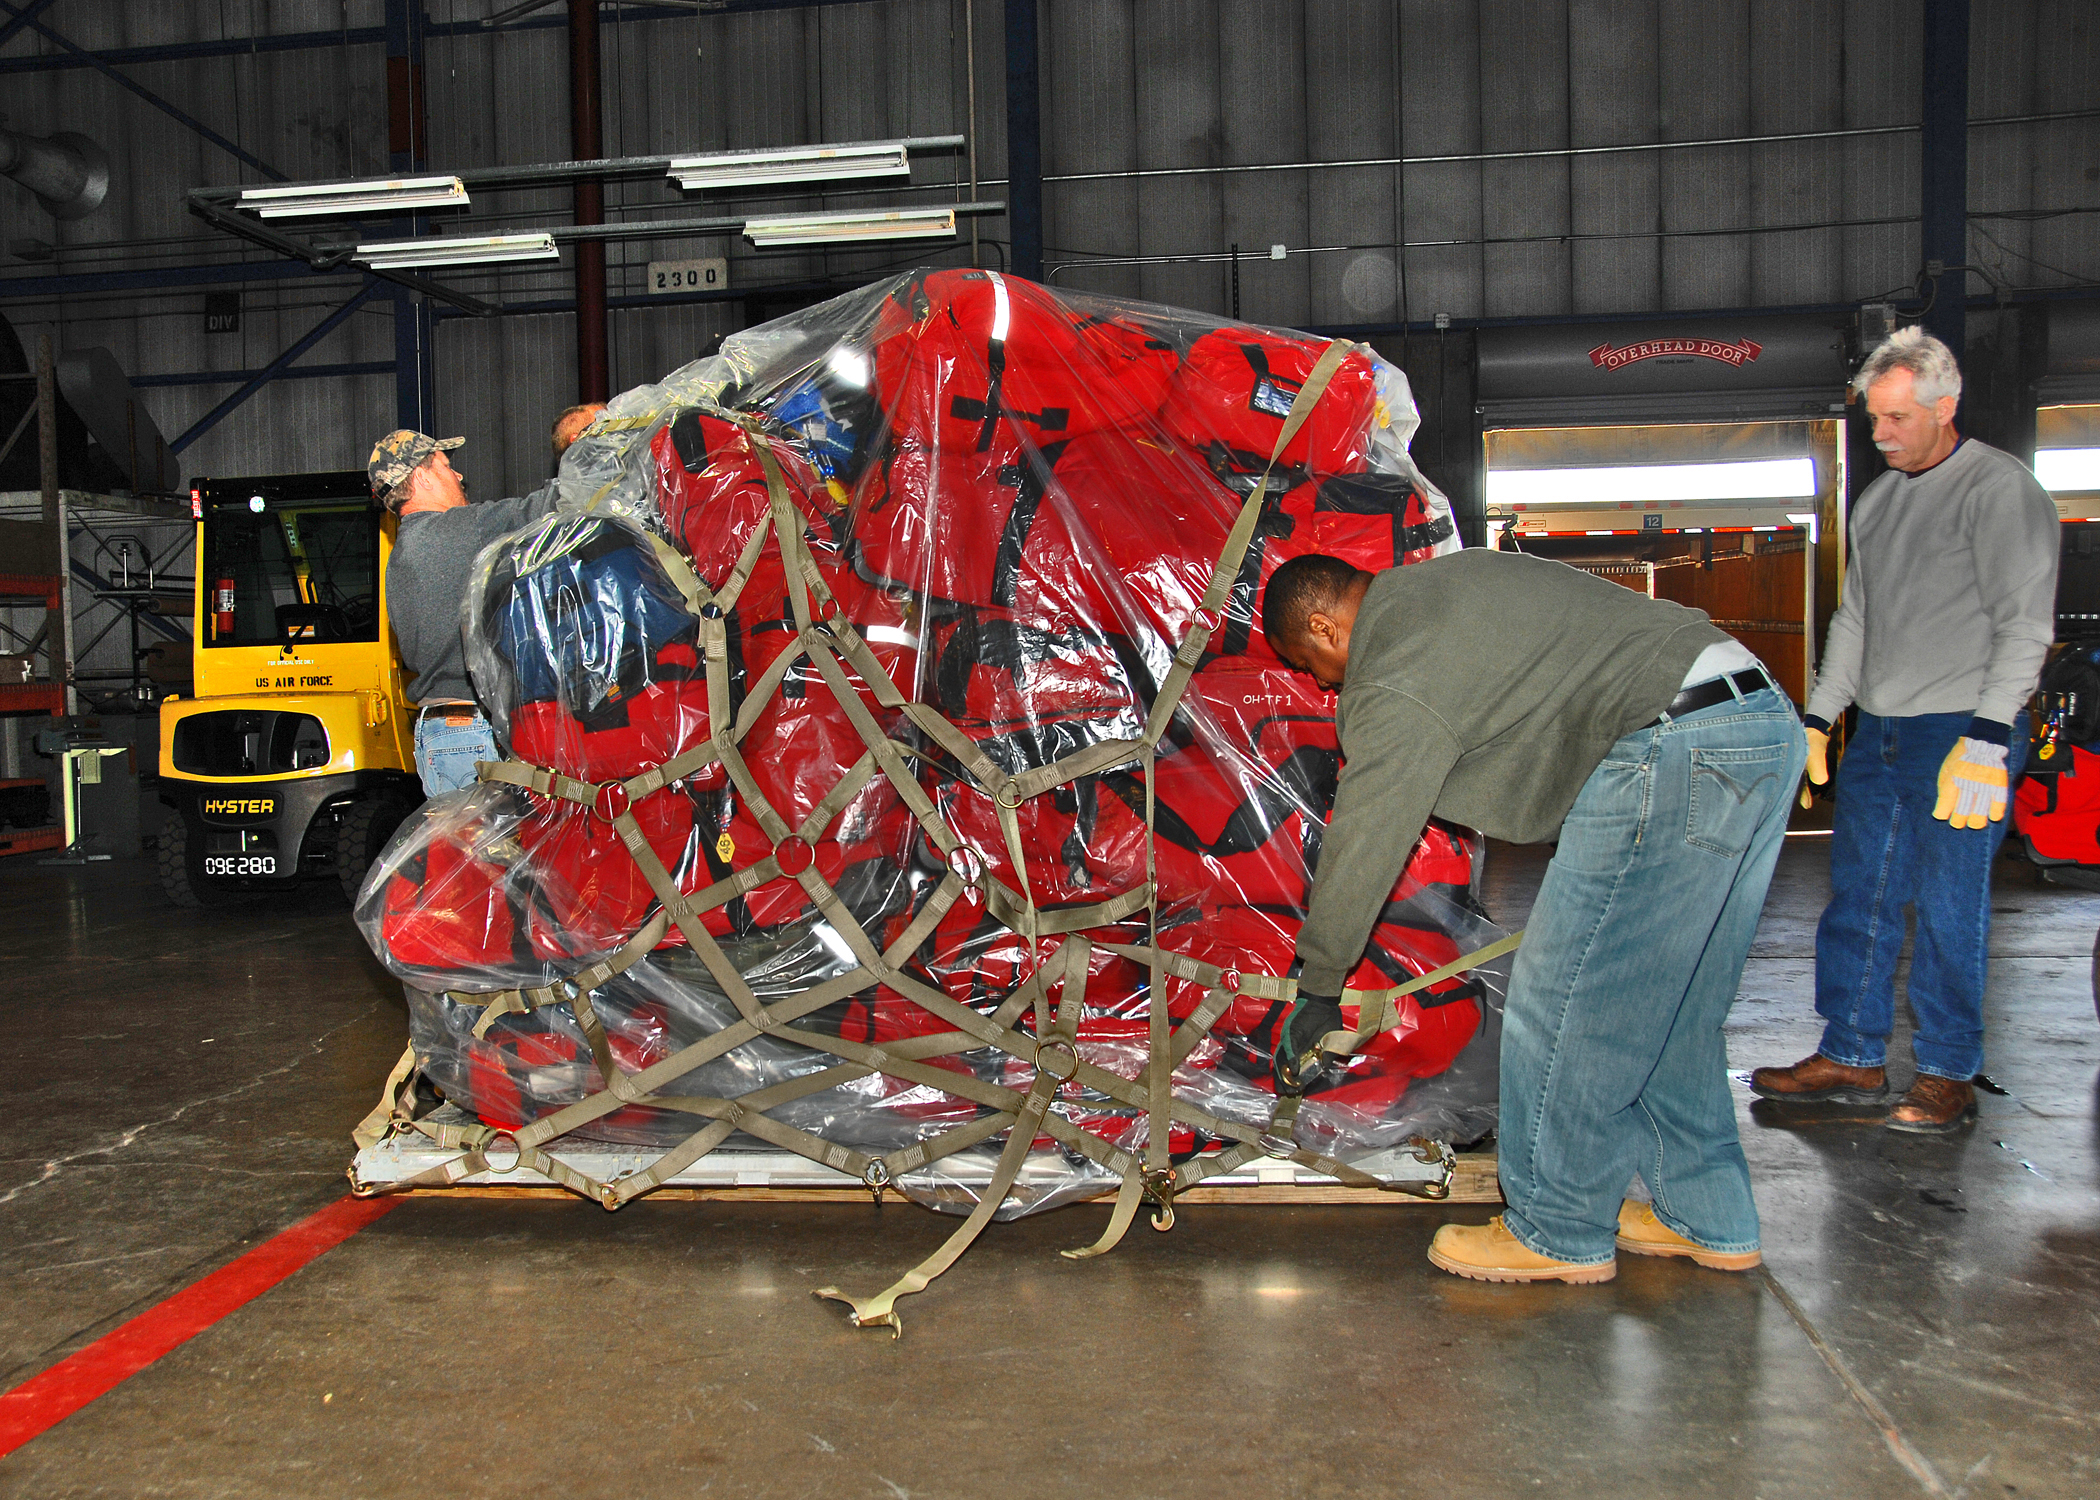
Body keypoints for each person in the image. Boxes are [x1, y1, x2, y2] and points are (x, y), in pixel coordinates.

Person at [1261, 550, 1804, 1284]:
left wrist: (1318, 984)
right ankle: (1708, 1218)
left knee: (1562, 999)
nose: (1322, 683)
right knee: (1675, 1008)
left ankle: (1557, 1228)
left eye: (1309, 663)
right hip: (1758, 723)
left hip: (1666, 747)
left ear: (1324, 627)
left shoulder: (1393, 666)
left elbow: (1367, 831)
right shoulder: (1454, 579)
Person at [1750, 328, 2058, 1133]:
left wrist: (1990, 739)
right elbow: (1857, 618)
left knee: (1951, 904)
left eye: (1894, 419)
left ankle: (1949, 1069)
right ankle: (1851, 1049)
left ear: (1943, 407)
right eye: (1874, 418)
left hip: (1962, 734)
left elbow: (2025, 626)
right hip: (1881, 733)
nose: (1879, 434)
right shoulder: (1879, 501)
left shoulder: (2000, 490)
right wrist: (1820, 716)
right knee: (1860, 896)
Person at [369, 430, 560, 797]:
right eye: (446, 466)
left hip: (440, 733)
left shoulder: (403, 553)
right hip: (470, 730)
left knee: (466, 853)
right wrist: (588, 452)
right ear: (422, 477)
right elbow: (545, 507)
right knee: (493, 850)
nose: (458, 476)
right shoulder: (454, 529)